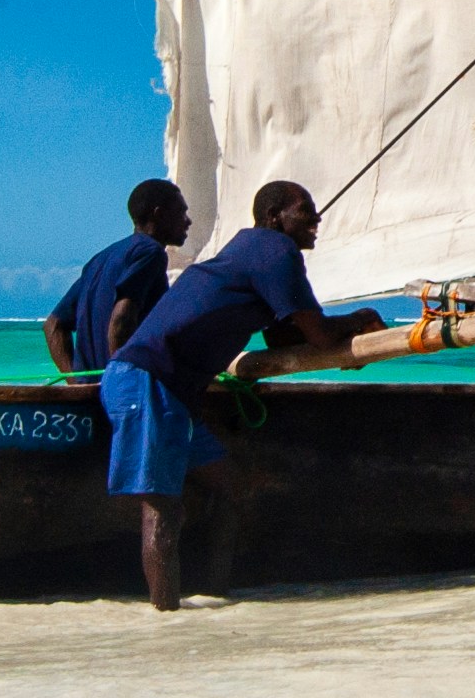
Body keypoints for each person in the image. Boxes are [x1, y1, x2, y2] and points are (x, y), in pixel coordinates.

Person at [101, 178, 386, 609]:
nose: (317, 218)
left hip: (172, 393)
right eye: (304, 210)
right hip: (148, 381)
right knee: (164, 511)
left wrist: (343, 331)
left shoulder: (250, 253)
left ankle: (217, 598)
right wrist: (360, 319)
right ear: (274, 217)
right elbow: (320, 334)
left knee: (233, 489)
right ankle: (165, 625)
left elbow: (280, 338)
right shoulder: (275, 251)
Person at [43, 179, 193, 376]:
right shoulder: (151, 253)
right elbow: (121, 319)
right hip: (120, 397)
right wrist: (121, 383)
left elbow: (53, 324)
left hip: (92, 395)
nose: (188, 221)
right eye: (181, 212)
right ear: (159, 214)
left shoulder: (99, 260)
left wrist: (75, 383)